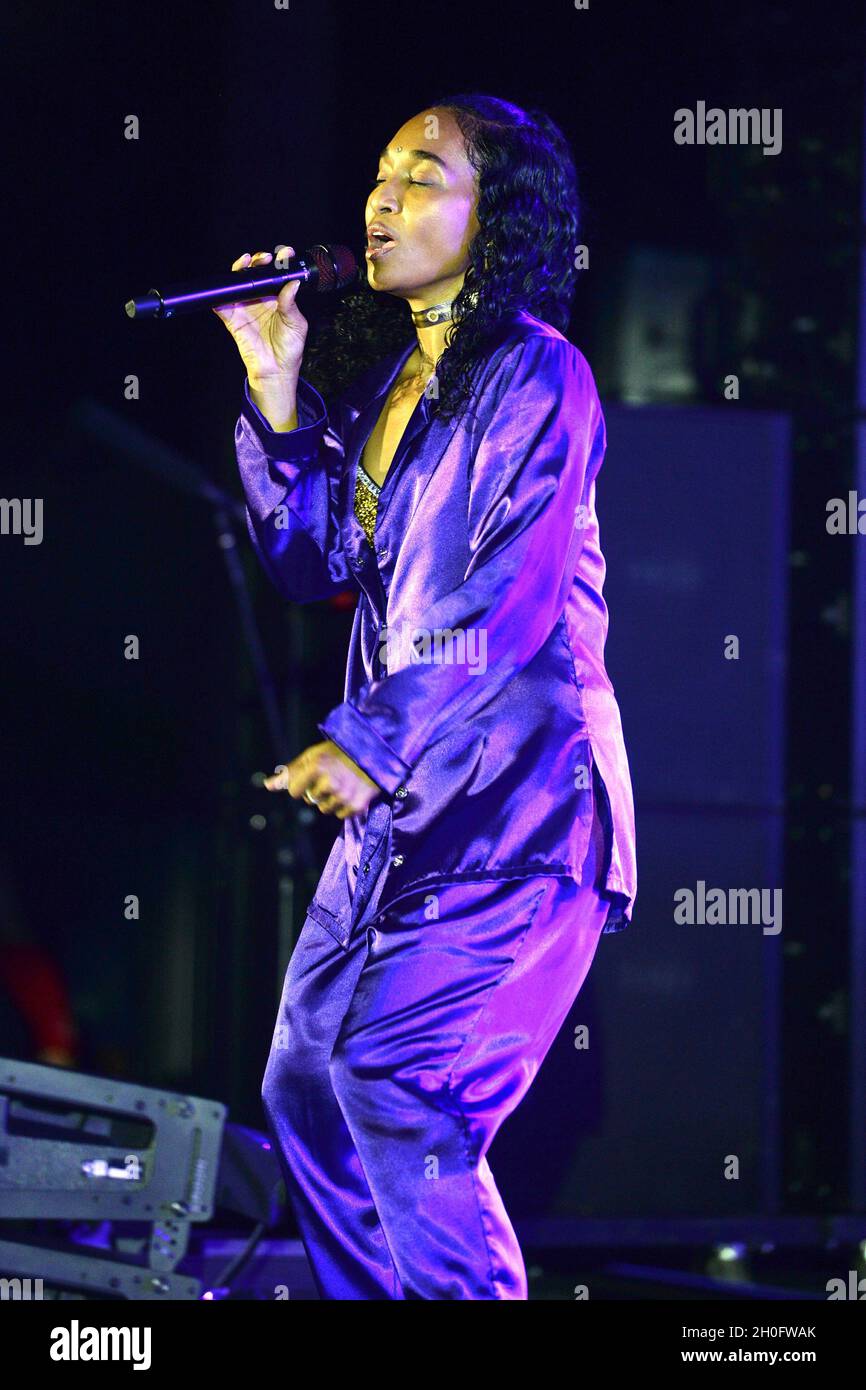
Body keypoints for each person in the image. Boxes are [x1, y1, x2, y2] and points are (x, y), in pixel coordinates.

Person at [214, 93, 637, 1300]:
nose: (382, 199)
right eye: (379, 174)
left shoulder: (537, 375)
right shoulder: (391, 389)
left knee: (400, 1085)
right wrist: (275, 379)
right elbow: (308, 560)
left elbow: (505, 595)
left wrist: (366, 736)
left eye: (422, 174)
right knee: (308, 1083)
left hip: (515, 809)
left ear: (496, 215)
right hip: (401, 816)